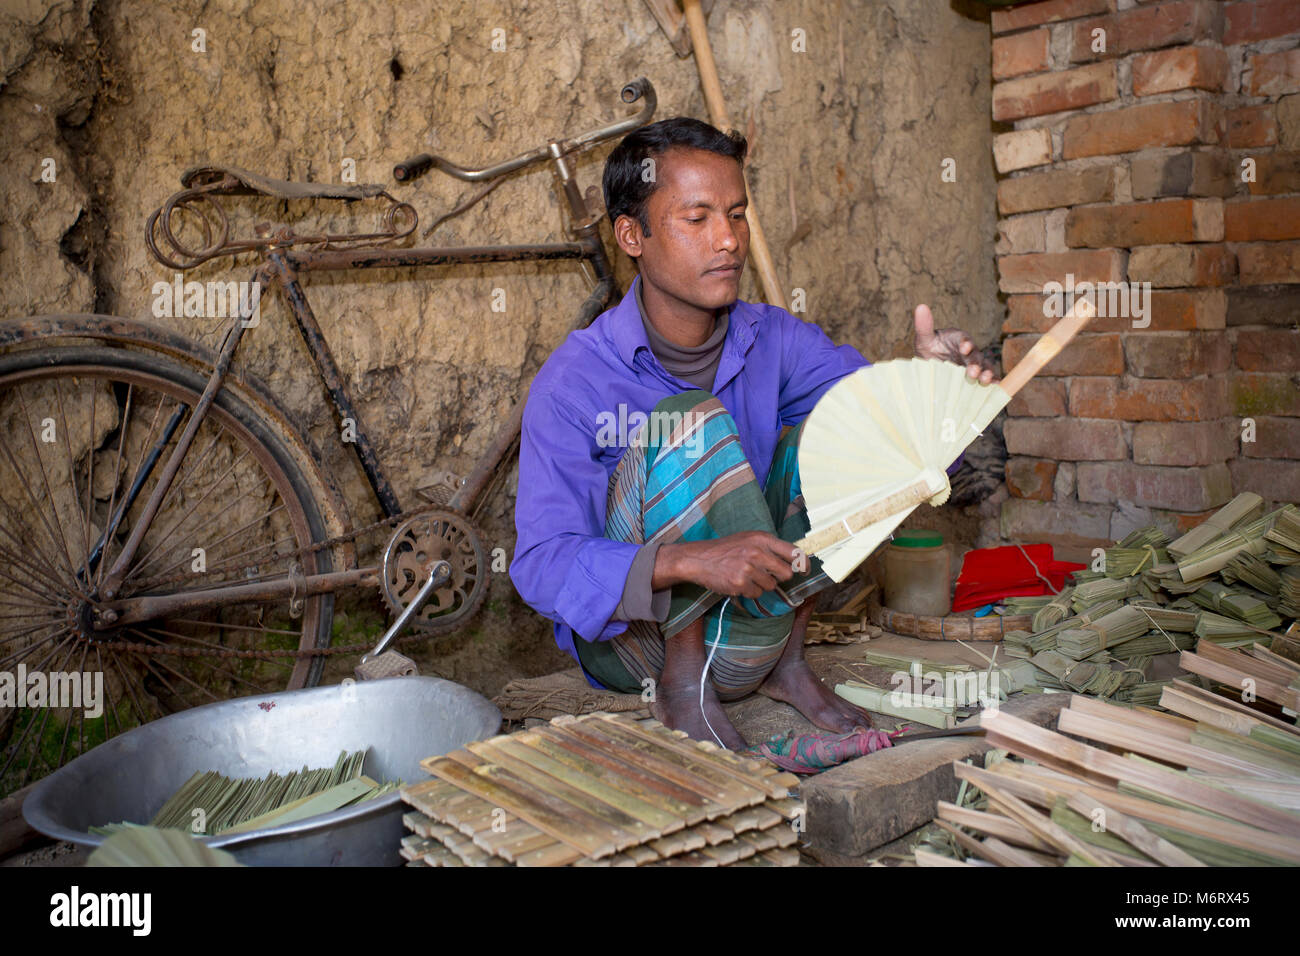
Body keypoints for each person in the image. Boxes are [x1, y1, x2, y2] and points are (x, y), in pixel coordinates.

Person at [510, 117, 998, 748]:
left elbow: (879, 430)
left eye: (737, 215)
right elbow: (541, 564)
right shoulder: (573, 381)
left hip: (749, 631)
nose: (729, 240)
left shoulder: (774, 338)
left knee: (827, 436)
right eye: (698, 219)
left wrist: (932, 394)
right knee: (687, 418)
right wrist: (688, 560)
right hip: (637, 652)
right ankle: (684, 689)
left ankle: (788, 663)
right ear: (633, 235)